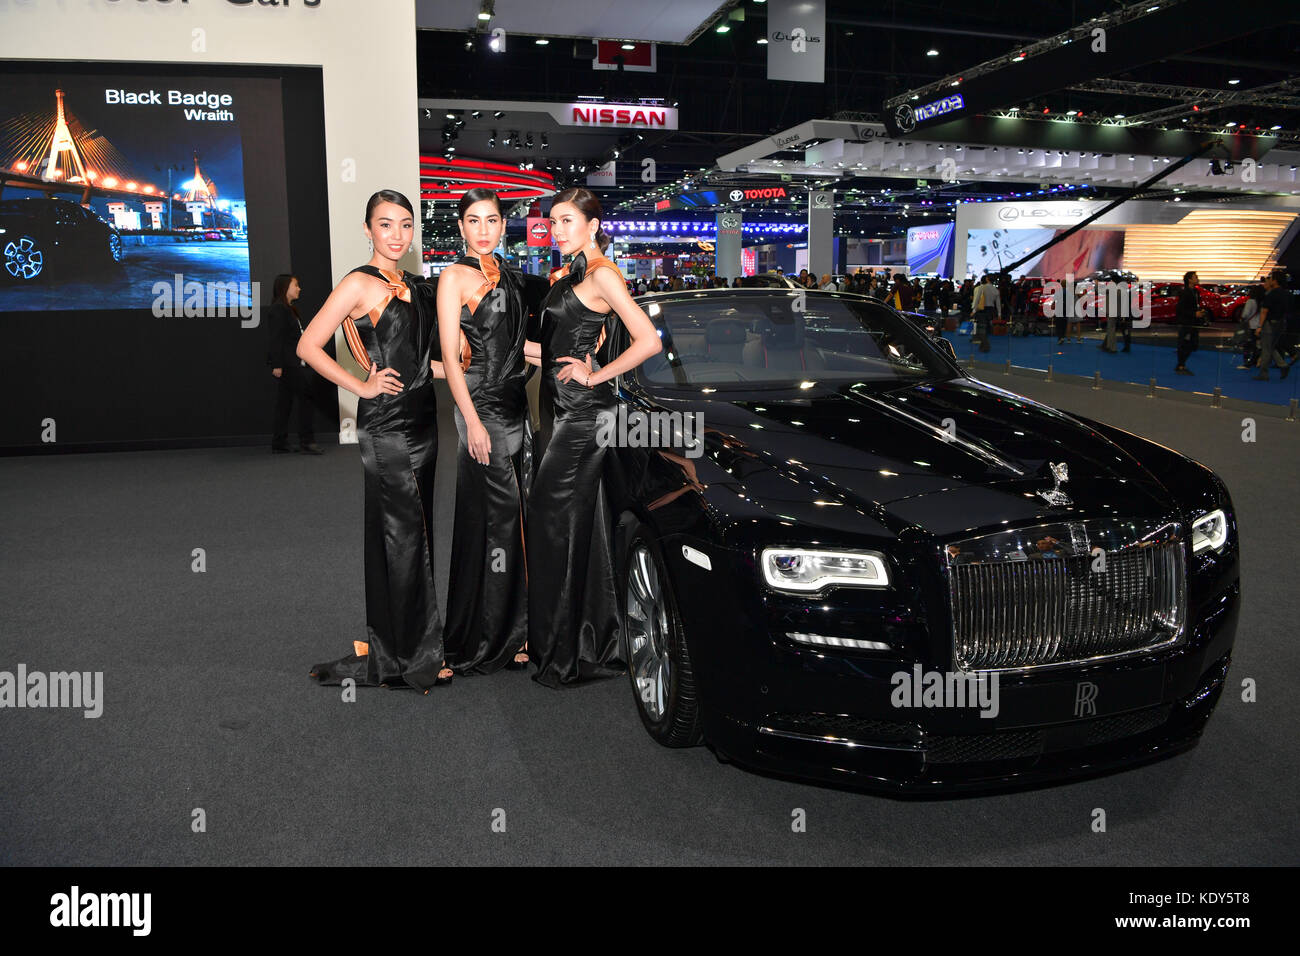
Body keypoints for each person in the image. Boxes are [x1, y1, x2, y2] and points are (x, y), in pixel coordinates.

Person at [298, 189, 452, 691]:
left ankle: (400, 642)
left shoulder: (415, 284)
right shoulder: (358, 284)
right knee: (403, 534)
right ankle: (412, 655)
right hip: (385, 424)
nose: (397, 235)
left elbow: (420, 357)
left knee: (415, 531)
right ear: (368, 229)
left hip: (425, 419)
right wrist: (361, 384)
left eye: (406, 225)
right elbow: (308, 345)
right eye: (386, 225)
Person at [526, 187, 662, 688]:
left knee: (550, 521)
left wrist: (596, 375)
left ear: (593, 225)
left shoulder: (602, 274)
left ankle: (562, 654)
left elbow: (648, 339)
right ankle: (589, 639)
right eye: (554, 222)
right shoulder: (575, 275)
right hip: (564, 410)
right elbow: (559, 350)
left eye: (566, 221)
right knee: (572, 525)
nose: (557, 230)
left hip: (584, 418)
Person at [436, 187, 542, 674]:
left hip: (516, 406)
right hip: (480, 408)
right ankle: (497, 635)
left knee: (508, 515)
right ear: (461, 227)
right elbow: (452, 361)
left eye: (492, 220)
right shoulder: (453, 277)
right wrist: (472, 423)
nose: (483, 229)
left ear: (504, 226)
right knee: (501, 518)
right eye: (474, 220)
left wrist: (574, 357)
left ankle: (507, 625)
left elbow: (517, 349)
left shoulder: (514, 279)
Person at [266, 273, 323, 454]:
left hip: (293, 361)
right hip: (289, 363)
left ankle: (279, 442)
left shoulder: (289, 309)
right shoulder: (278, 309)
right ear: (285, 288)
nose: (299, 289)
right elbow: (276, 338)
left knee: (284, 402)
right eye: (296, 285)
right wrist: (277, 364)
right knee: (306, 397)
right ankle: (307, 440)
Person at [1255, 270, 1292, 381]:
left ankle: (1264, 374)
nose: (1269, 280)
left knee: (1266, 349)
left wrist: (1259, 326)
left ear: (1275, 281)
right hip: (1281, 323)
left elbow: (1264, 311)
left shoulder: (1271, 294)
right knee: (1270, 347)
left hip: (1269, 324)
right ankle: (1283, 365)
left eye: (1271, 278)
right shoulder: (1287, 294)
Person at [1174, 270, 1209, 375]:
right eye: (1195, 277)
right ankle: (1181, 365)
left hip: (1193, 323)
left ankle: (1181, 364)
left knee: (1192, 344)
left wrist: (1200, 312)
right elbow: (1180, 309)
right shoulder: (1185, 292)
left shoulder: (1196, 292)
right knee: (1184, 344)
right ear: (1189, 279)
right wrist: (1194, 314)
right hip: (1186, 323)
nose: (1197, 278)